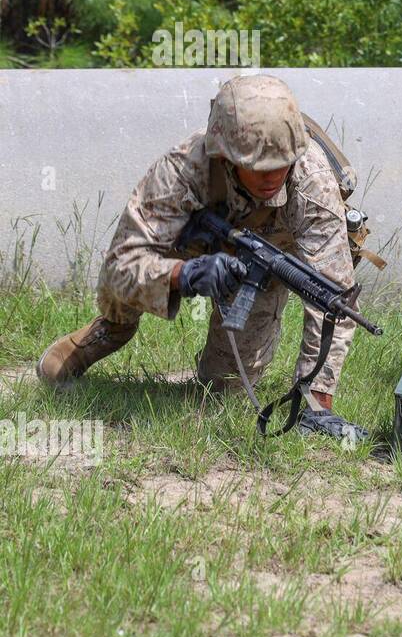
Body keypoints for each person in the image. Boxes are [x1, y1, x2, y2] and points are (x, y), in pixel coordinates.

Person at [37, 74, 364, 439]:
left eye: (282, 162)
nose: (272, 175)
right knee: (124, 282)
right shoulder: (182, 170)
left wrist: (317, 403)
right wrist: (184, 275)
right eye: (257, 164)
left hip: (267, 257)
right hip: (193, 242)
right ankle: (111, 330)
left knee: (221, 390)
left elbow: (334, 299)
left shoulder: (312, 182)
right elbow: (121, 264)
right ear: (225, 154)